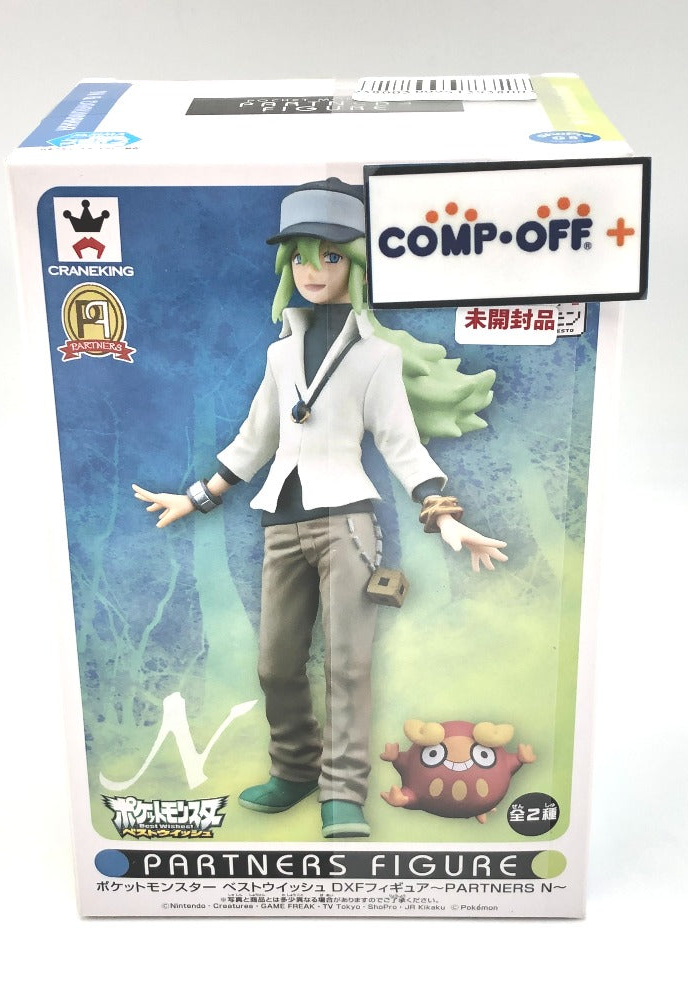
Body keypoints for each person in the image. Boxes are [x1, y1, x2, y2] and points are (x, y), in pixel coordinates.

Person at [132, 178, 506, 838]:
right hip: (281, 521)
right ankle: (296, 769)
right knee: (275, 664)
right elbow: (256, 438)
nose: (313, 270)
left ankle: (342, 791)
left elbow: (400, 441)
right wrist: (197, 496)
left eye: (330, 256)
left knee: (347, 665)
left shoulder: (377, 357)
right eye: (302, 257)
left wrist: (443, 516)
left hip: (346, 524)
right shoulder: (280, 354)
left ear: (354, 264)